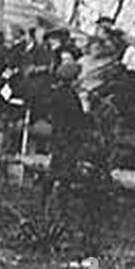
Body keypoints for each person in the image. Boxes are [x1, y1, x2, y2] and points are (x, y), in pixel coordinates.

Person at [43, 59, 88, 209]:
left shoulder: (56, 93)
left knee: (55, 166)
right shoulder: (70, 97)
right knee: (66, 171)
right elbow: (78, 118)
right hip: (69, 137)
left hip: (58, 136)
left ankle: (45, 198)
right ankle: (61, 203)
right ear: (73, 80)